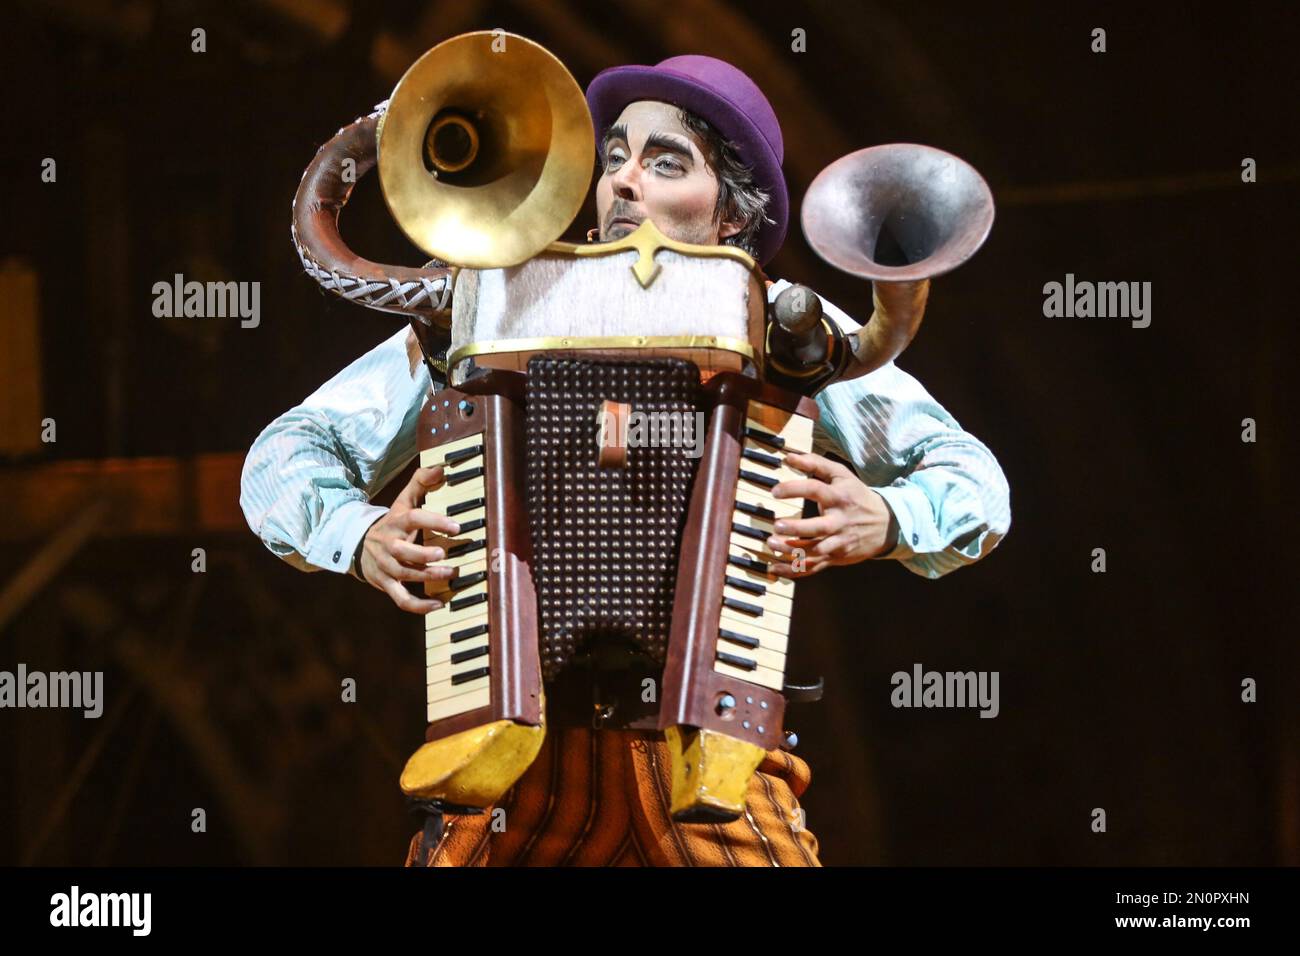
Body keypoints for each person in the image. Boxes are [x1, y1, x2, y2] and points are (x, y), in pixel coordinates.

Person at [240, 54, 1011, 866]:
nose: (623, 182)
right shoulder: (501, 303)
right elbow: (284, 454)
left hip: (711, 759)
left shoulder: (785, 327)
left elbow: (974, 481)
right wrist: (358, 535)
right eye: (613, 158)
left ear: (732, 216)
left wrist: (889, 517)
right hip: (509, 756)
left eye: (665, 161)